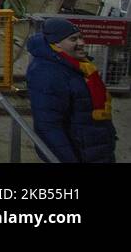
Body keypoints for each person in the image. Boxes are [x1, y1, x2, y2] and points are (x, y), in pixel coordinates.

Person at [25, 18, 115, 163]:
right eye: (73, 39)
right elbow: (48, 127)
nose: (81, 43)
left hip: (93, 148)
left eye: (80, 37)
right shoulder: (48, 73)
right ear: (56, 43)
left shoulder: (77, 66)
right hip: (80, 152)